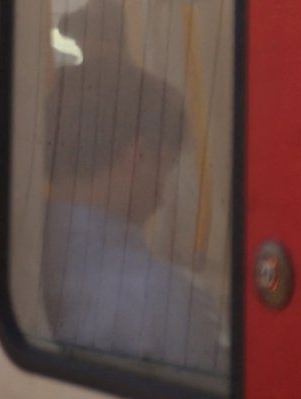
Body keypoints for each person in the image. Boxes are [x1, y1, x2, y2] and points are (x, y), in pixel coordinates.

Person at [39, 42, 224, 375]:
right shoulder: (167, 301)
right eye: (166, 169)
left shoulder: (18, 249)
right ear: (138, 157)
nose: (162, 198)